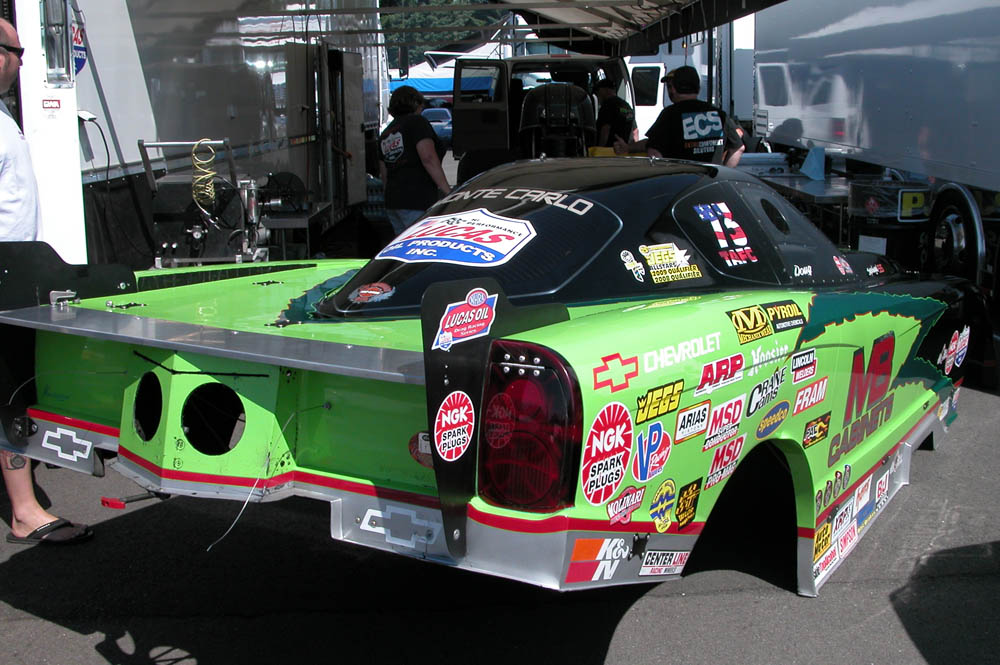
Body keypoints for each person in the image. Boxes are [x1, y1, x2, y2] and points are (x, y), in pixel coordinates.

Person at [0, 17, 91, 545]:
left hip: (12, 275)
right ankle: (24, 512)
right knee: (11, 392)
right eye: (19, 53)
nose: (21, 64)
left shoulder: (3, 114)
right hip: (4, 281)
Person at [615, 66, 744, 167]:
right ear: (698, 88)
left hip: (682, 187)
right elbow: (738, 148)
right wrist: (721, 173)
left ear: (675, 88)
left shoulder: (670, 115)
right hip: (710, 187)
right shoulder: (719, 114)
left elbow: (654, 151)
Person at [378, 85, 451, 235]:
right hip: (416, 199)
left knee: (403, 244)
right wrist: (448, 192)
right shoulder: (417, 122)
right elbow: (428, 158)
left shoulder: (386, 133)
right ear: (415, 103)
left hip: (393, 202)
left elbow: (384, 174)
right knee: (422, 243)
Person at [594, 78, 636, 148]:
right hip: (622, 148)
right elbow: (632, 131)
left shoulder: (608, 104)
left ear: (604, 90)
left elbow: (605, 130)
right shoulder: (626, 106)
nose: (598, 96)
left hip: (610, 149)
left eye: (598, 92)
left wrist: (600, 148)